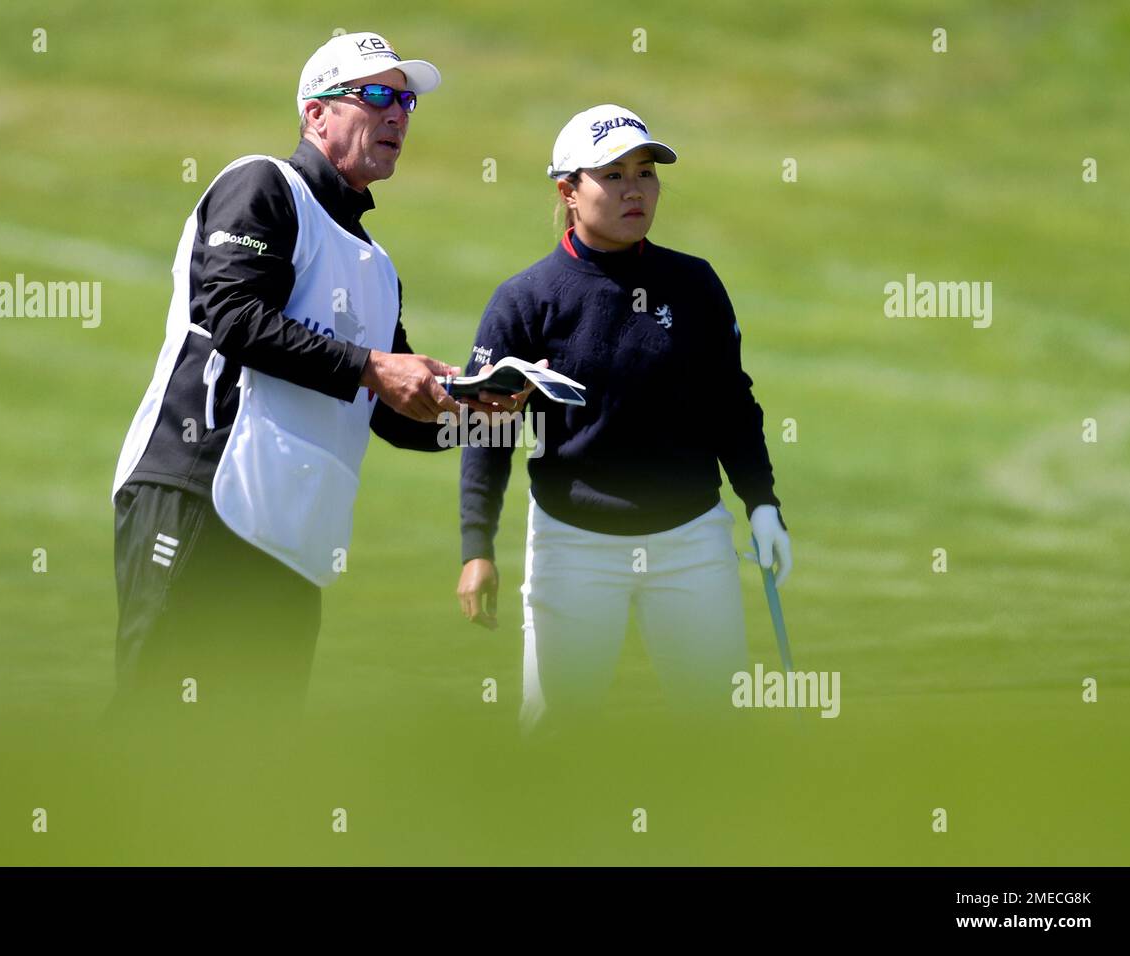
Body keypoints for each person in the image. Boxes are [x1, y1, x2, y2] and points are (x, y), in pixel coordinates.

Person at [106, 31, 510, 736]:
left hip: (290, 539)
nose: (398, 115)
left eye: (407, 101)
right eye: (377, 95)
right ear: (316, 114)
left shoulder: (378, 267)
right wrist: (373, 367)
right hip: (197, 493)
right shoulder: (262, 184)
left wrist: (487, 411)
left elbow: (391, 413)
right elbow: (234, 318)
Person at [456, 105, 794, 735]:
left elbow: (731, 401)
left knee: (718, 724)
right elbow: (487, 425)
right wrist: (477, 545)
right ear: (568, 190)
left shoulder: (693, 284)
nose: (635, 189)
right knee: (555, 727)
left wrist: (762, 502)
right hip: (573, 543)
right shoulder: (526, 300)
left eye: (645, 172)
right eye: (611, 175)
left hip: (691, 539)